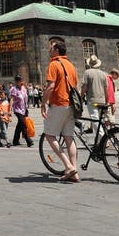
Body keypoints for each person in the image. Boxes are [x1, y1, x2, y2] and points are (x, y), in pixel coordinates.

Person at [41, 39, 79, 182]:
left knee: (50, 135)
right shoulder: (71, 65)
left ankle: (68, 166)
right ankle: (74, 173)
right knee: (69, 137)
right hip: (71, 105)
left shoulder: (54, 64)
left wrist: (43, 103)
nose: (49, 51)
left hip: (58, 103)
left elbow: (51, 87)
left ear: (56, 50)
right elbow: (75, 85)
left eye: (51, 48)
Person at [80, 54, 108, 132]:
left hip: (92, 101)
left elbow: (84, 87)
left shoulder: (87, 72)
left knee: (94, 120)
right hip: (102, 101)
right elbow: (106, 89)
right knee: (100, 121)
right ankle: (103, 140)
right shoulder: (103, 74)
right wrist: (107, 101)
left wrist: (81, 98)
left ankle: (102, 138)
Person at [10, 76, 33, 147]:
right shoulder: (14, 89)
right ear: (16, 81)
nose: (20, 82)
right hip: (17, 109)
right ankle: (28, 140)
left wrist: (27, 108)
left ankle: (15, 140)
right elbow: (12, 99)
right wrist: (10, 109)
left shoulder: (24, 88)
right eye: (18, 81)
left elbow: (26, 97)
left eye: (21, 80)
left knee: (19, 125)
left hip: (24, 109)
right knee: (23, 124)